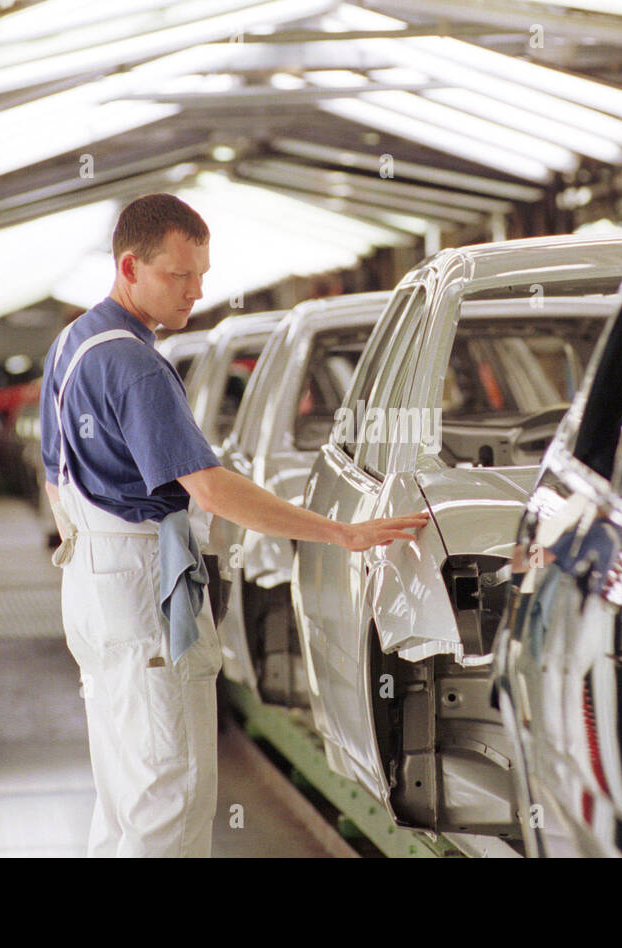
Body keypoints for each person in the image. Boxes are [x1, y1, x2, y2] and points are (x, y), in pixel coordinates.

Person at [40, 193, 428, 857]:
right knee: (171, 800)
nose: (195, 291)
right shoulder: (135, 365)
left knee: (127, 801)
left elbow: (55, 481)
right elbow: (213, 491)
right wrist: (342, 532)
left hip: (94, 586)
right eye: (178, 275)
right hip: (143, 594)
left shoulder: (74, 343)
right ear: (129, 267)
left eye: (202, 274)